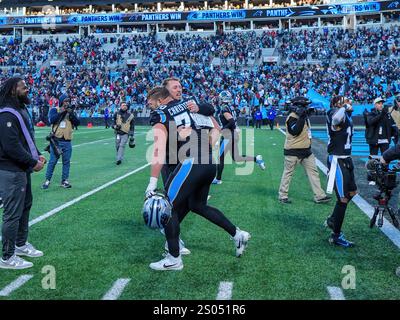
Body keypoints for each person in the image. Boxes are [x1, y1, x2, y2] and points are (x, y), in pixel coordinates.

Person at [145, 86, 250, 271]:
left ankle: (173, 258)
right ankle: (237, 234)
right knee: (197, 205)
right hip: (209, 160)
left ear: (159, 100)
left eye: (151, 103)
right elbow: (215, 125)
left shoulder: (160, 113)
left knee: (167, 207)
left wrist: (152, 182)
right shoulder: (188, 105)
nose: (149, 106)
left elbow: (159, 148)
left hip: (191, 160)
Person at [0, 77, 46, 270]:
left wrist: (37, 154)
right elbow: (11, 146)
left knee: (25, 206)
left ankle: (20, 244)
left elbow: (26, 138)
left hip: (21, 169)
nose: (27, 89)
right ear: (12, 90)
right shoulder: (6, 114)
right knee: (12, 214)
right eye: (23, 87)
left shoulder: (19, 109)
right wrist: (32, 162)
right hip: (11, 170)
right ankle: (7, 257)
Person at [278, 96, 331, 204]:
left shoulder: (303, 116)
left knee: (313, 172)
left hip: (306, 151)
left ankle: (319, 196)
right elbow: (295, 131)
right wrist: (302, 117)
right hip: (293, 151)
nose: (307, 108)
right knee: (288, 173)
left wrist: (304, 115)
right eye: (305, 106)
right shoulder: (292, 117)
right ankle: (282, 195)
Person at [213, 90, 265, 185]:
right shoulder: (230, 107)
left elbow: (231, 122)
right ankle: (256, 159)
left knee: (220, 157)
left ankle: (218, 179)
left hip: (228, 135)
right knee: (236, 157)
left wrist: (222, 129)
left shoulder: (225, 108)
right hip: (232, 135)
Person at [325, 95, 357, 248]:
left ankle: (332, 219)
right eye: (343, 101)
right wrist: (343, 107)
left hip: (347, 159)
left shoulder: (346, 115)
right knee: (343, 198)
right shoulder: (333, 112)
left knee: (352, 193)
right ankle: (336, 235)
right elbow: (336, 120)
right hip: (337, 160)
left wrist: (346, 110)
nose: (348, 103)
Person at [41, 93, 80, 189]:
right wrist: (63, 112)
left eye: (68, 101)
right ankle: (47, 180)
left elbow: (77, 123)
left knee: (66, 162)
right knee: (52, 161)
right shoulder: (55, 110)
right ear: (61, 101)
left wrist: (70, 113)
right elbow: (52, 120)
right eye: (65, 101)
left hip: (67, 141)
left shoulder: (70, 112)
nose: (67, 103)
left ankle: (64, 180)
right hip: (56, 141)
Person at [112, 101, 135, 165]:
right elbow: (112, 122)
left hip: (125, 133)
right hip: (117, 133)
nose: (125, 106)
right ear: (120, 106)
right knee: (117, 146)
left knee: (122, 145)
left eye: (125, 105)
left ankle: (119, 159)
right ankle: (119, 156)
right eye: (123, 105)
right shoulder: (116, 114)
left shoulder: (130, 115)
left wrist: (132, 134)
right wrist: (114, 126)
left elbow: (132, 125)